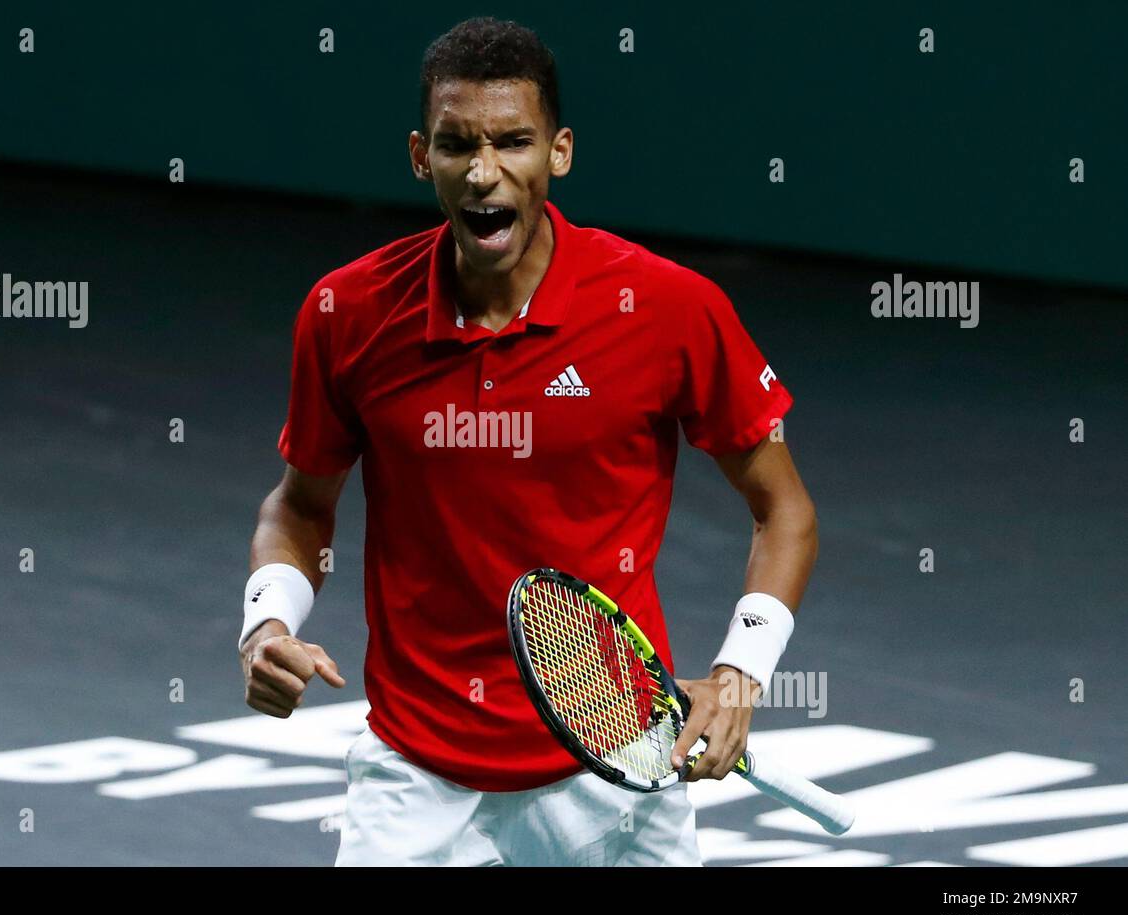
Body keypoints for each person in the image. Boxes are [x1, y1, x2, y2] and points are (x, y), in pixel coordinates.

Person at [239, 16, 817, 866]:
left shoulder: (665, 308)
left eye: (513, 142)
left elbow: (784, 509)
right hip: (416, 775)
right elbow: (299, 505)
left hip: (618, 761)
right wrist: (266, 623)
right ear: (418, 156)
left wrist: (739, 673)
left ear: (560, 152)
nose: (484, 174)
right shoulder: (347, 312)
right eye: (455, 145)